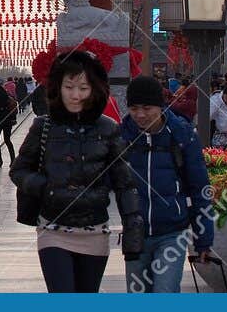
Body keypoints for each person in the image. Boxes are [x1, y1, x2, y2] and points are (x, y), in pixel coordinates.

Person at [11, 50, 144, 293]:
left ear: (94, 89)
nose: (75, 95)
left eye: (83, 88)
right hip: (53, 229)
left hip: (94, 231)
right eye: (69, 87)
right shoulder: (43, 126)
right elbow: (18, 170)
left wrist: (133, 232)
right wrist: (45, 186)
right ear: (58, 87)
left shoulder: (108, 128)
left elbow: (125, 184)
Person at [119, 76, 214, 293]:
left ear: (160, 106)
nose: (140, 115)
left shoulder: (182, 135)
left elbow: (200, 188)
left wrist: (203, 240)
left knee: (166, 291)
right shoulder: (121, 137)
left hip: (172, 233)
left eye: (147, 108)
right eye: (134, 108)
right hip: (135, 234)